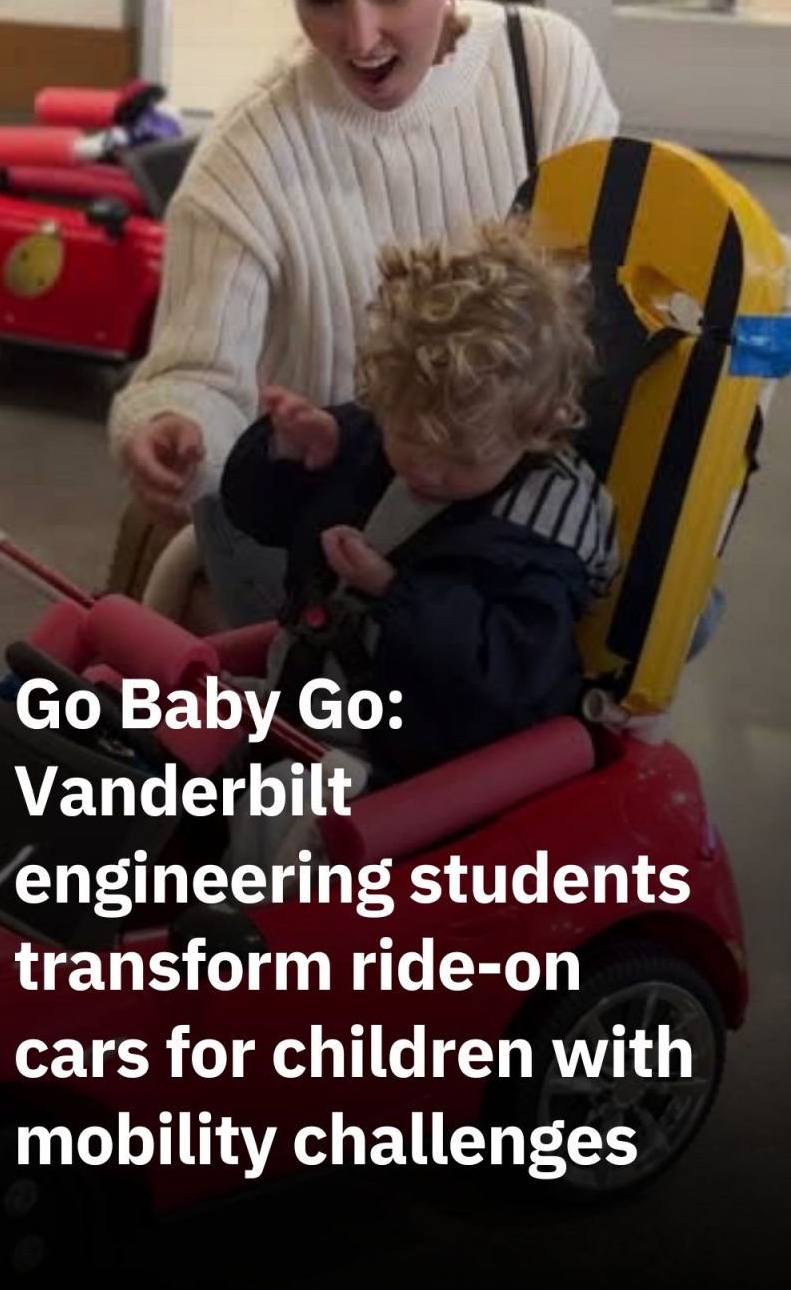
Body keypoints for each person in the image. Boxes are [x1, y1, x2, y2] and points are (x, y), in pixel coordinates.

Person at [107, 0, 619, 626]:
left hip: (509, 502)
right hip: (334, 517)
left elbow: (605, 304)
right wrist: (171, 427)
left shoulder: (544, 65)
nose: (361, 37)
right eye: (321, 0)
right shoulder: (249, 155)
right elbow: (196, 375)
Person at [218, 217, 620, 873]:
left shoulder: (541, 536)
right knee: (170, 739)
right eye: (405, 437)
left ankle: (249, 945)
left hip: (408, 755)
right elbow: (255, 519)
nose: (423, 473)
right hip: (301, 698)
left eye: (456, 459)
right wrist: (296, 457)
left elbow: (503, 683)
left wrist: (395, 593)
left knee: (280, 813)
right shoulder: (389, 430)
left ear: (538, 426)